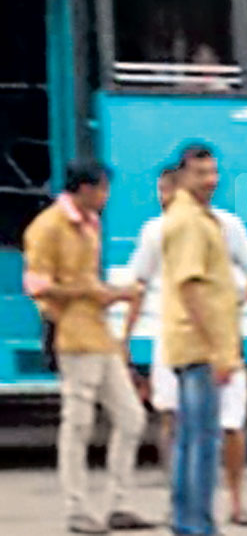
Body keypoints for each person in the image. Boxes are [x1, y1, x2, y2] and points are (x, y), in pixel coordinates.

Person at [125, 166, 247, 527]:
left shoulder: (221, 225)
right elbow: (154, 285)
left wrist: (230, 308)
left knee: (213, 428)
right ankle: (192, 517)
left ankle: (221, 505)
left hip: (197, 339)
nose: (163, 196)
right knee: (192, 433)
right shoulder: (171, 227)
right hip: (199, 343)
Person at [22, 159, 154, 534]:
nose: (106, 197)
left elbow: (85, 284)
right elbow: (38, 285)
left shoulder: (90, 225)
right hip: (73, 337)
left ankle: (119, 503)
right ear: (84, 189)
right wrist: (90, 293)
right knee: (77, 425)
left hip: (98, 334)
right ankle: (77, 509)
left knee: (131, 417)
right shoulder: (48, 227)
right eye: (102, 189)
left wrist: (107, 296)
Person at [163, 144, 242, 536]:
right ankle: (197, 525)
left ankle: (186, 520)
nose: (210, 180)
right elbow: (191, 287)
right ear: (182, 177)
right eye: (200, 173)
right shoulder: (190, 222)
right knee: (202, 443)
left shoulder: (192, 217)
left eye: (213, 172)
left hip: (191, 344)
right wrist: (216, 348)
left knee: (189, 438)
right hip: (199, 348)